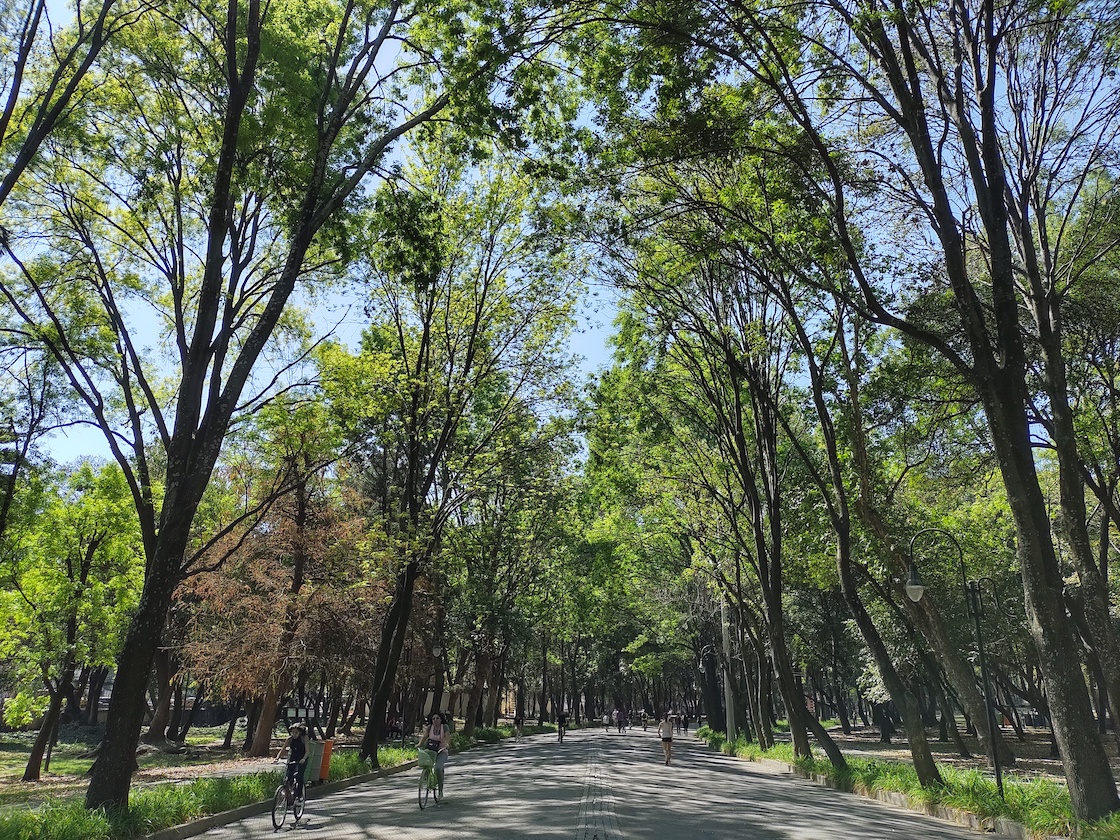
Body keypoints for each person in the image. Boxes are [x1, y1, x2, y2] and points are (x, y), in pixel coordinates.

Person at [276, 721, 309, 803]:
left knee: (299, 776)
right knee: (288, 775)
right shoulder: (289, 739)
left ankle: (299, 795)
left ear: (300, 732)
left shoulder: (304, 738)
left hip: (302, 758)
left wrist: (303, 759)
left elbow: (308, 751)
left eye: (296, 732)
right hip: (293, 757)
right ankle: (288, 793)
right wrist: (277, 758)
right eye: (292, 732)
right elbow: (283, 750)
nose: (294, 734)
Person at [422, 711, 451, 796]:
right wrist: (419, 744)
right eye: (433, 718)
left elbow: (448, 737)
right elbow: (424, 737)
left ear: (441, 719)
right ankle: (427, 780)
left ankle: (440, 789)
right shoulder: (430, 727)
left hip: (442, 751)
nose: (435, 720)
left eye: (437, 718)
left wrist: (447, 744)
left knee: (438, 768)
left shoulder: (444, 727)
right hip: (431, 750)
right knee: (425, 764)